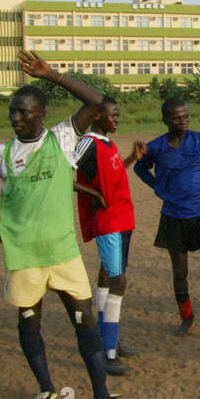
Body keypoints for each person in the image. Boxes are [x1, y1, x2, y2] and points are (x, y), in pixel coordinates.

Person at [0, 51, 133, 399]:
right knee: (29, 323)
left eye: (24, 112)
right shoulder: (1, 154)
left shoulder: (62, 139)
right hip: (24, 257)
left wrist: (51, 75)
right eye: (13, 112)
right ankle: (46, 388)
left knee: (84, 322)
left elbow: (96, 102)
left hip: (63, 254)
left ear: (41, 113)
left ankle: (102, 394)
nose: (16, 118)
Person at [132, 98, 200, 343]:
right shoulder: (156, 147)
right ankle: (186, 318)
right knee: (180, 272)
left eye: (185, 116)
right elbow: (140, 168)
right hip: (173, 217)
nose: (183, 120)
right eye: (177, 117)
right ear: (165, 120)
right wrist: (158, 187)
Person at [72, 96, 137, 375]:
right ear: (97, 115)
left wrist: (132, 158)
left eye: (118, 114)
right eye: (113, 114)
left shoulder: (108, 144)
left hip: (123, 217)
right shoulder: (88, 143)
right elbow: (63, 171)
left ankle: (105, 339)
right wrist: (94, 194)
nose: (117, 119)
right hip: (109, 221)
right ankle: (108, 354)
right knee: (118, 281)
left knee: (107, 276)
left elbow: (113, 175)